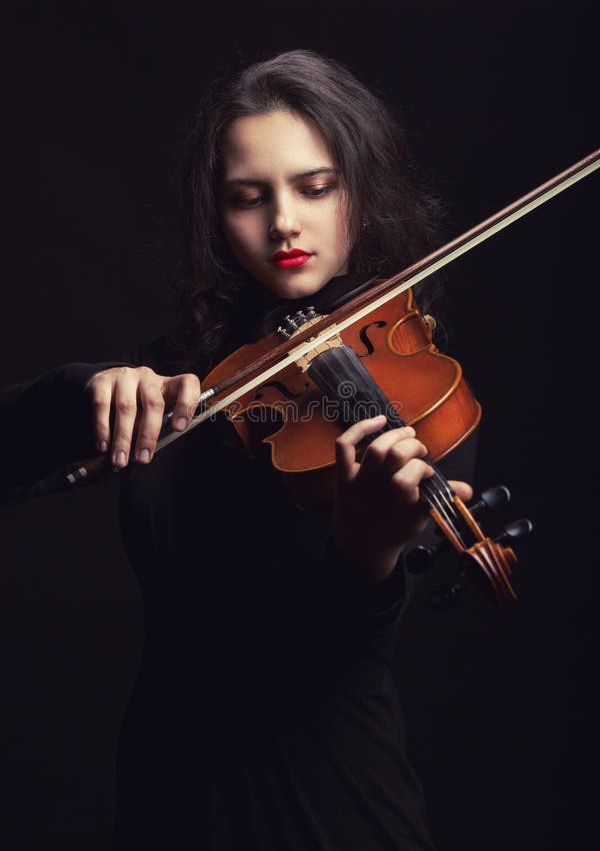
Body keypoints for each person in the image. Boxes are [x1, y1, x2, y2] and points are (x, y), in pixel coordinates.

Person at [1, 49, 477, 849]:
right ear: (217, 218)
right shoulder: (180, 377)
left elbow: (332, 656)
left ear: (360, 191)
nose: (283, 222)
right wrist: (77, 391)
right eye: (248, 198)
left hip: (331, 809)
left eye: (315, 188)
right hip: (169, 804)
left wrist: (365, 558)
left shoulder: (413, 390)